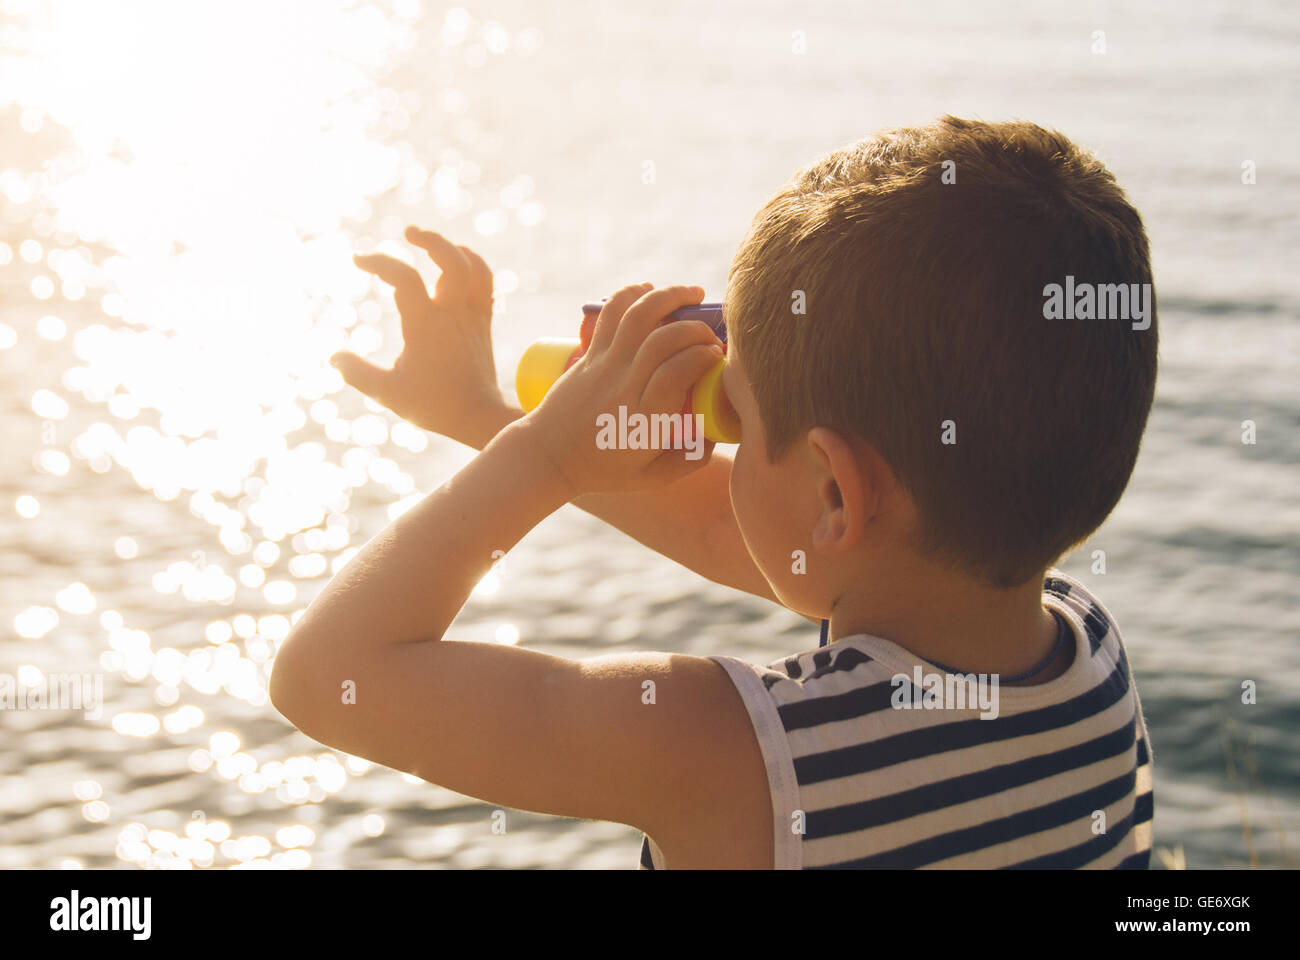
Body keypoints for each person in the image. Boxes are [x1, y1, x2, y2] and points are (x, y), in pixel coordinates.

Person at [270, 116, 1156, 869]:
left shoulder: (744, 758)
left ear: (835, 494)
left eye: (735, 420)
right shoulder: (1090, 656)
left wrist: (544, 453)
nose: (725, 458)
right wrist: (481, 411)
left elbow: (326, 676)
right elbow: (767, 533)